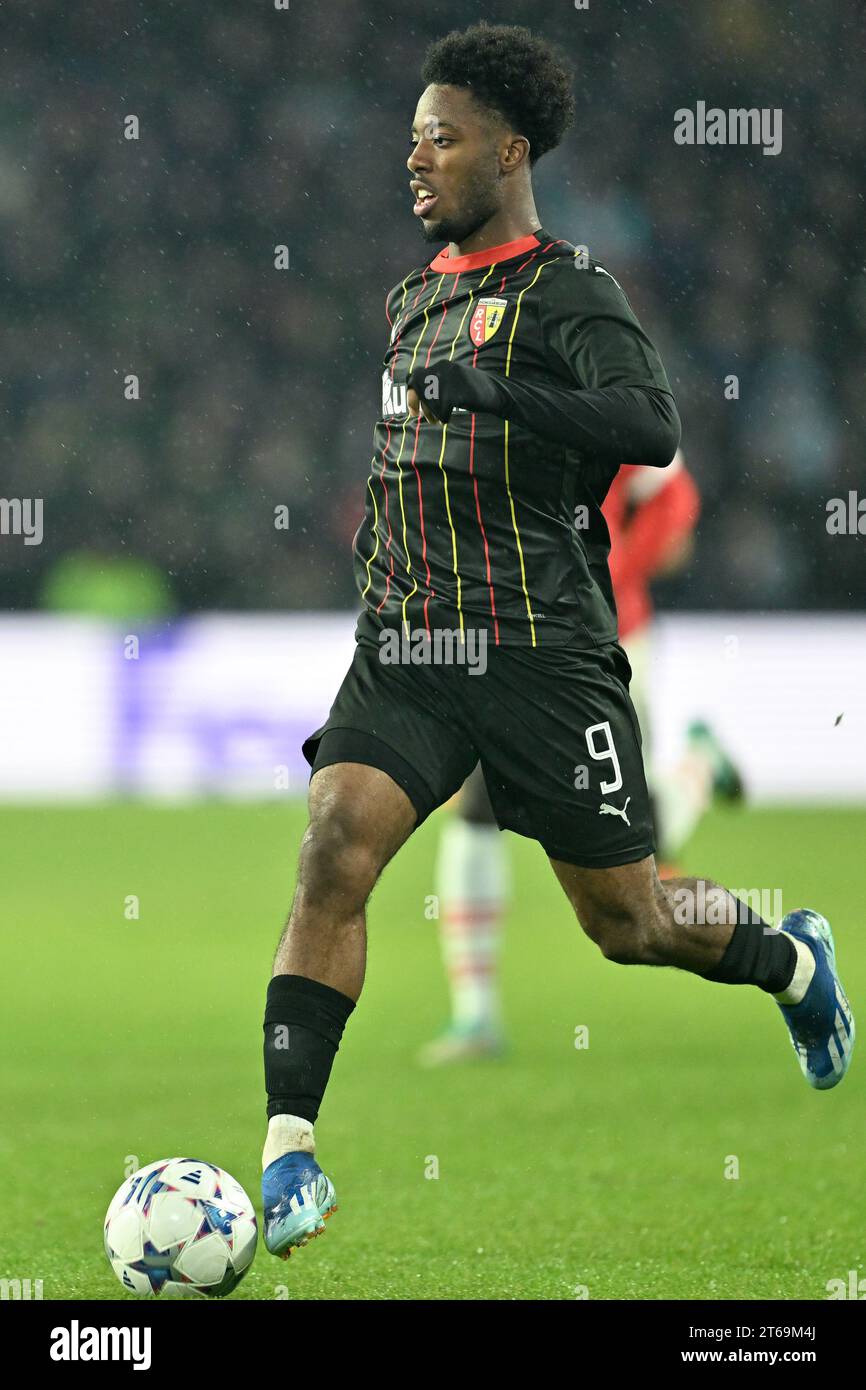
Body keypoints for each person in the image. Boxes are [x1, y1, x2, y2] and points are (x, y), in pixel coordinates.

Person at [259, 22, 854, 1259]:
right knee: (331, 852)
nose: (415, 157)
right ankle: (289, 1153)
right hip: (411, 645)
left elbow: (648, 422)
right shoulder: (411, 298)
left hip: (540, 653)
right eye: (412, 137)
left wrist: (505, 394)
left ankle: (788, 963)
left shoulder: (571, 291)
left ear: (508, 149)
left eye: (442, 137)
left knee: (626, 921)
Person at [420, 449, 745, 1064]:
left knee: (636, 833)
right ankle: (476, 1013)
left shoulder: (613, 391)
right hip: (515, 641)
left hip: (608, 642)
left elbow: (675, 504)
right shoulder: (491, 392)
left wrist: (613, 573)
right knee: (475, 805)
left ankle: (697, 769)